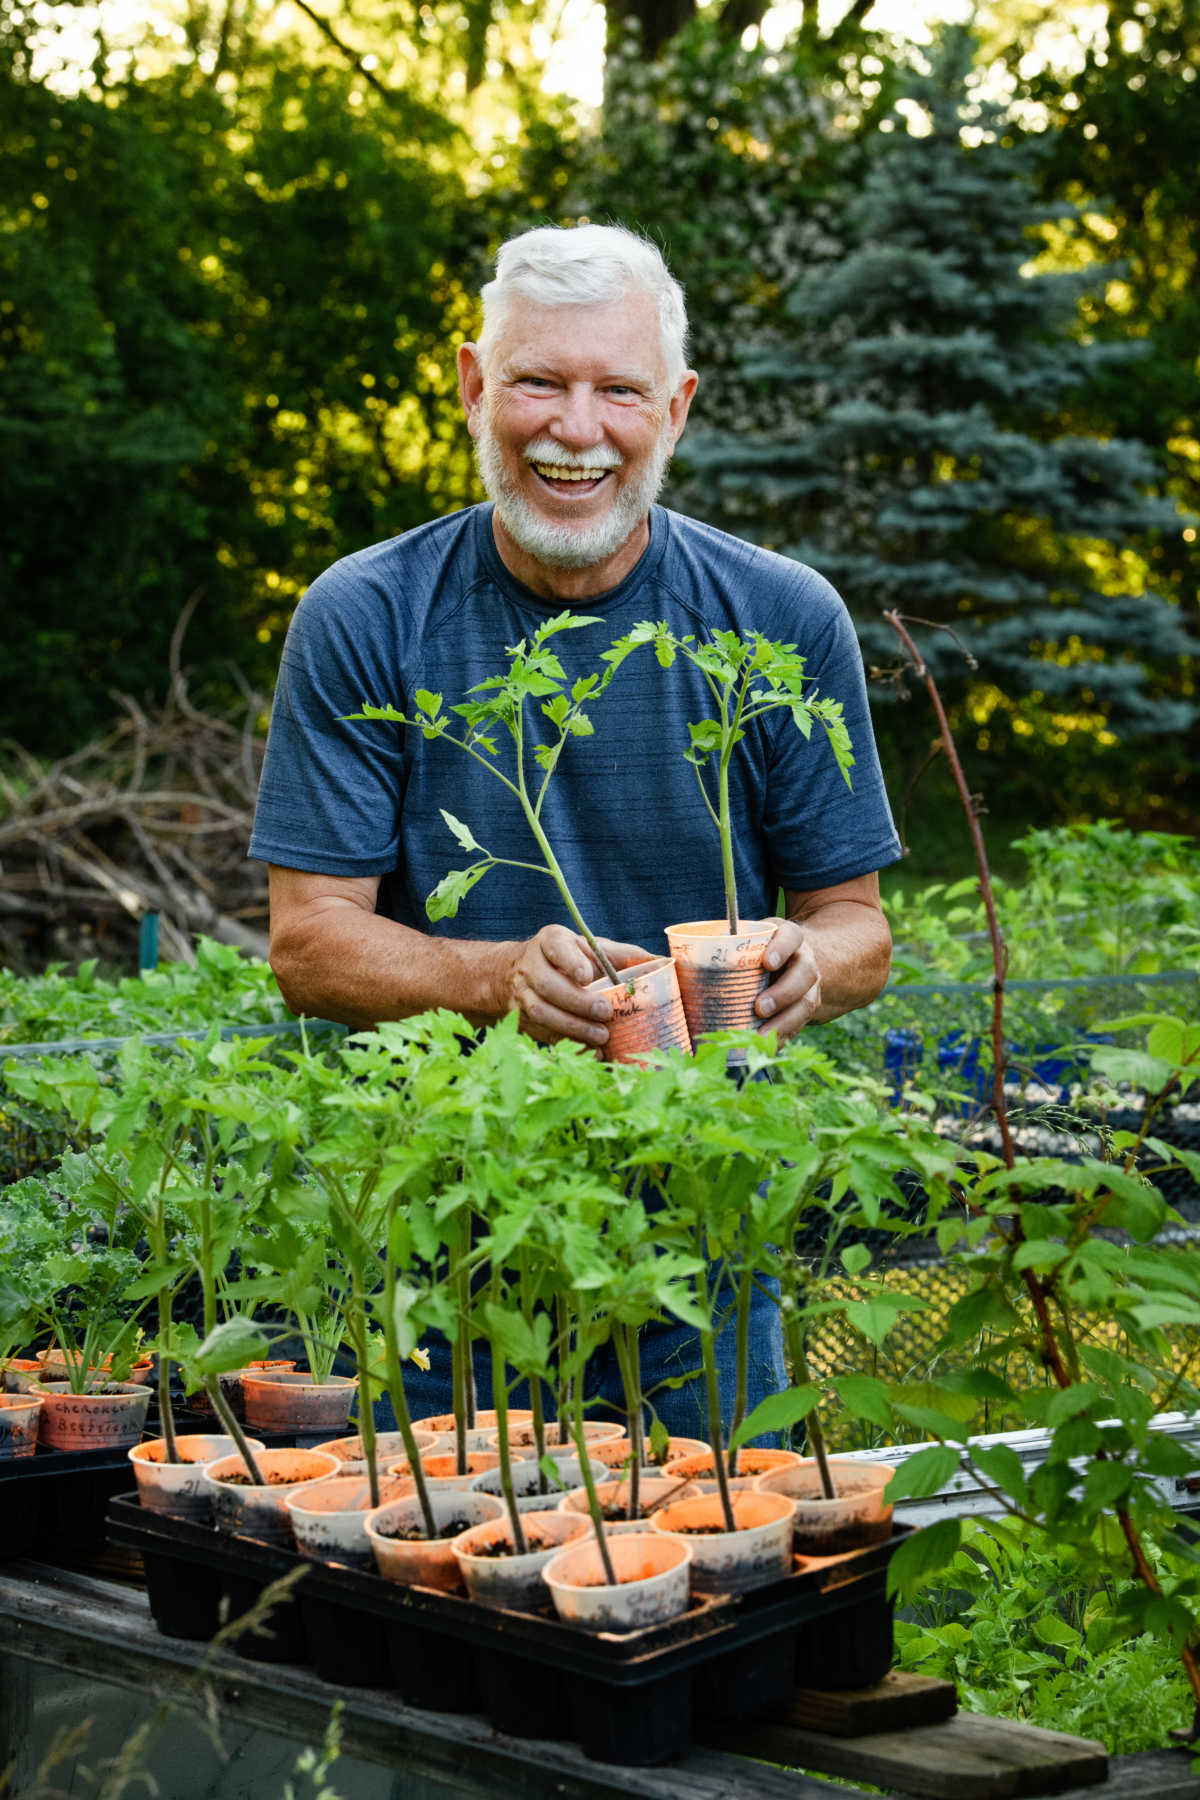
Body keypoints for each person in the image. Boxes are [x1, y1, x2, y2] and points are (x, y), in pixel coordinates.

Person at [249, 222, 901, 1435]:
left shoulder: (778, 620)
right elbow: (310, 944)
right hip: (444, 1231)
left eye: (619, 390)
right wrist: (499, 977)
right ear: (471, 385)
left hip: (703, 1223)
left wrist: (809, 963)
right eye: (539, 381)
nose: (575, 428)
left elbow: (857, 924)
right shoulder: (368, 615)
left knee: (706, 1575)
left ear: (679, 408)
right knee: (448, 1574)